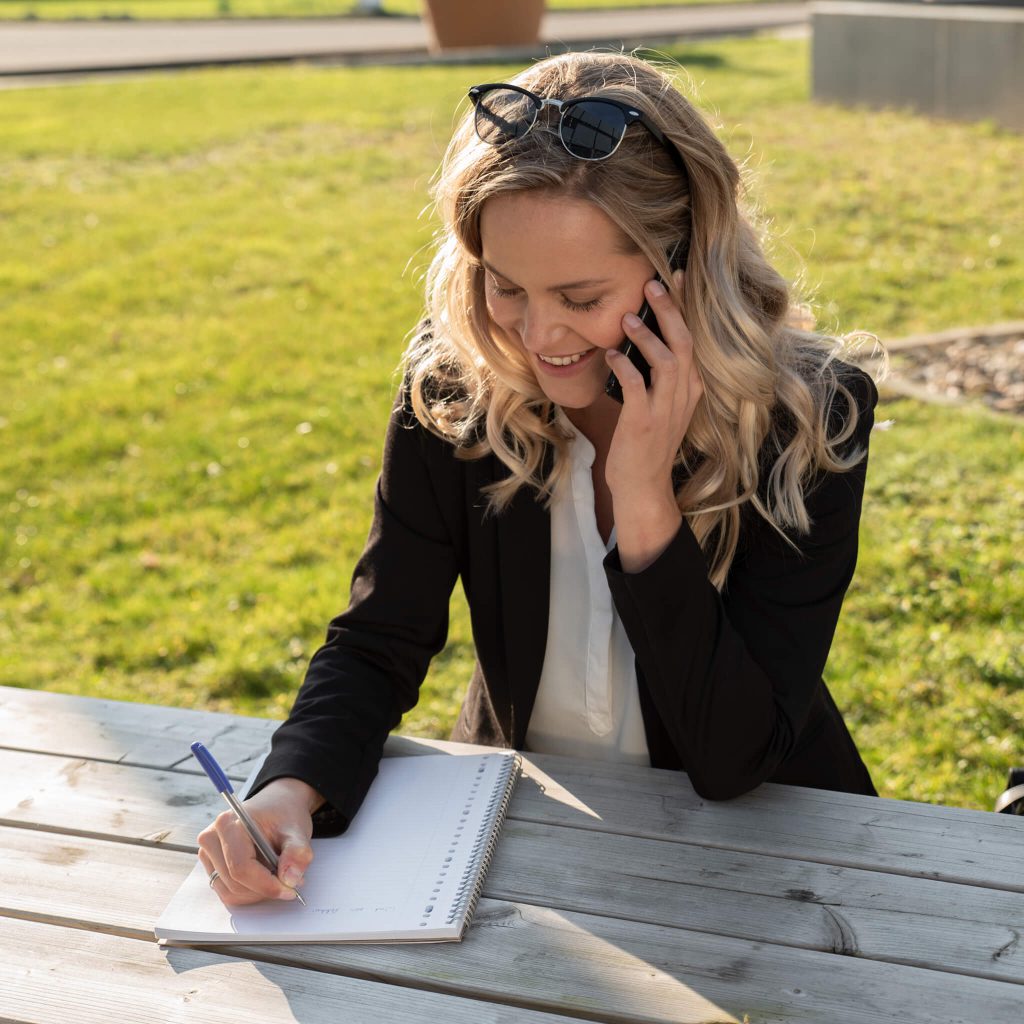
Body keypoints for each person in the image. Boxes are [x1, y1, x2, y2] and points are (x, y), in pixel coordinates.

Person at [198, 50, 879, 907]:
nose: (537, 335)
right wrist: (291, 788)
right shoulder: (455, 388)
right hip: (523, 838)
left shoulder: (806, 418)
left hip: (770, 856)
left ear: (684, 264)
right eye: (505, 286)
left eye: (581, 298)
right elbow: (380, 636)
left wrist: (644, 498)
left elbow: (732, 760)